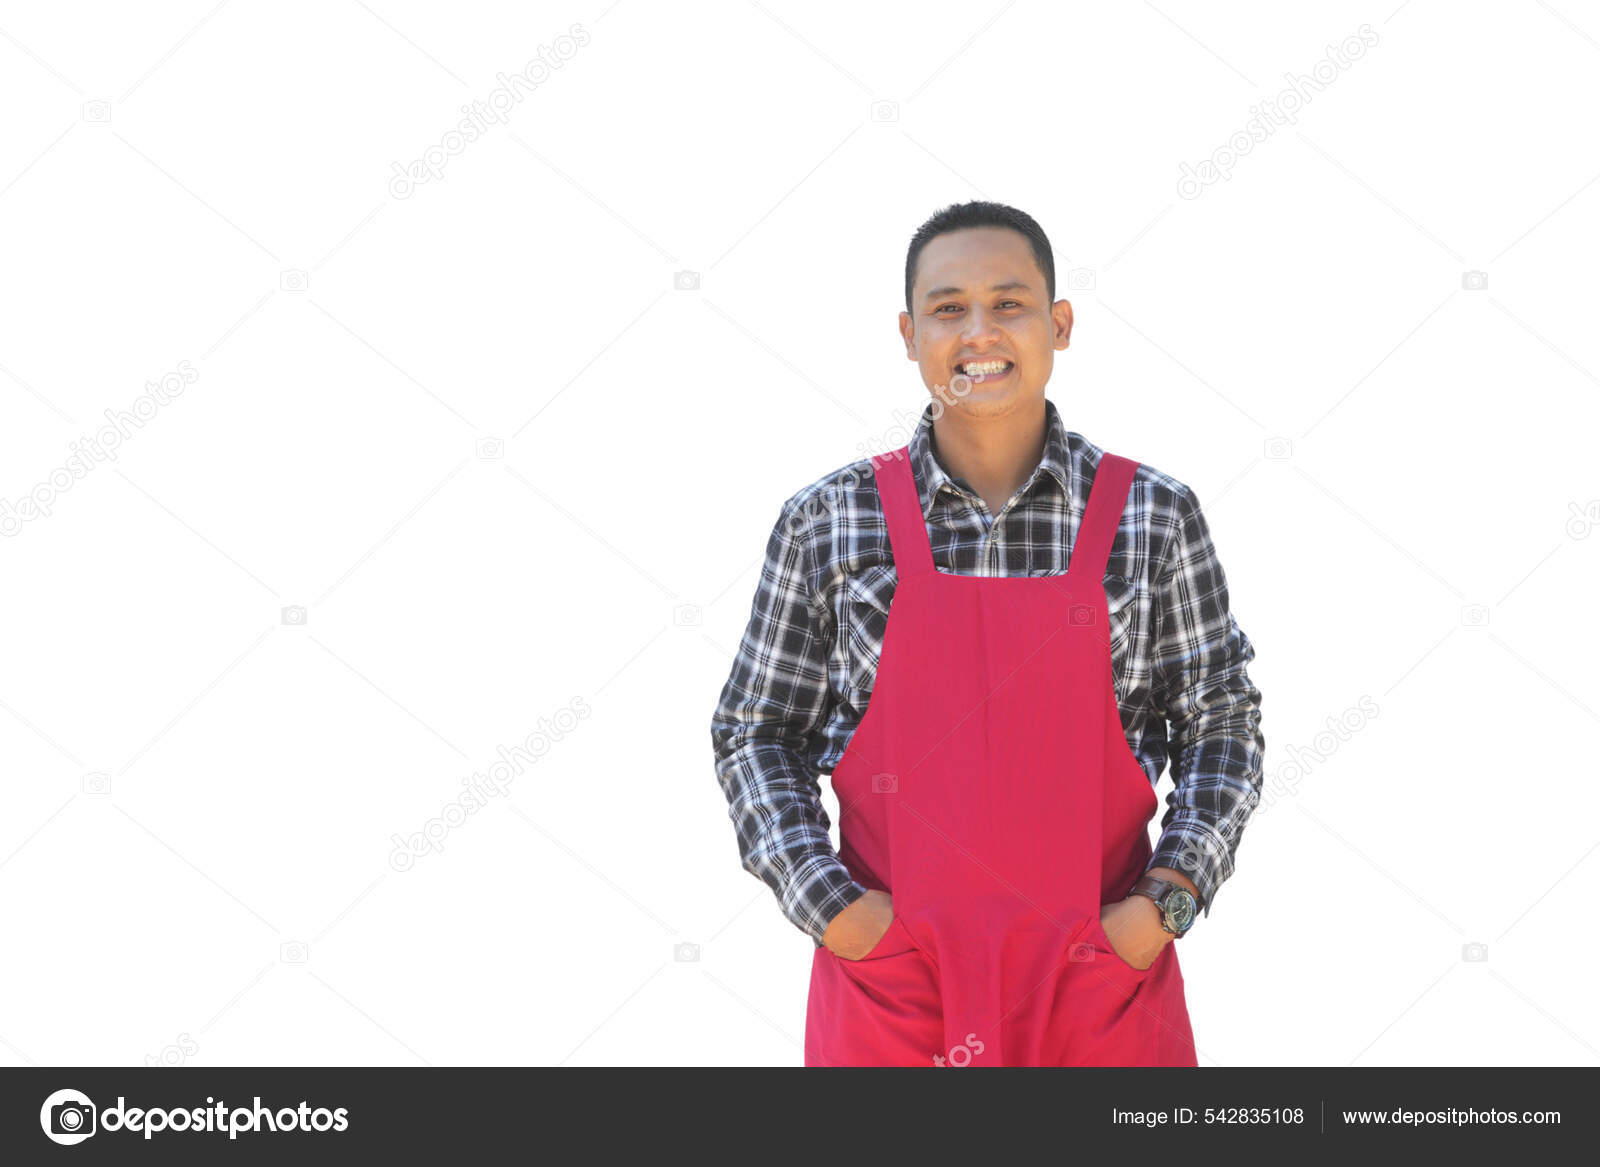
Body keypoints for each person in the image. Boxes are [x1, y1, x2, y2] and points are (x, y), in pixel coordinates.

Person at [709, 200, 1265, 1067]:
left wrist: (1168, 901)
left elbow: (1220, 718)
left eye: (1009, 303)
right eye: (947, 308)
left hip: (1101, 986)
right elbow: (755, 731)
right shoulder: (829, 521)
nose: (979, 332)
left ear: (1059, 324)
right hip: (896, 988)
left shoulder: (1153, 516)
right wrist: (834, 909)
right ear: (907, 332)